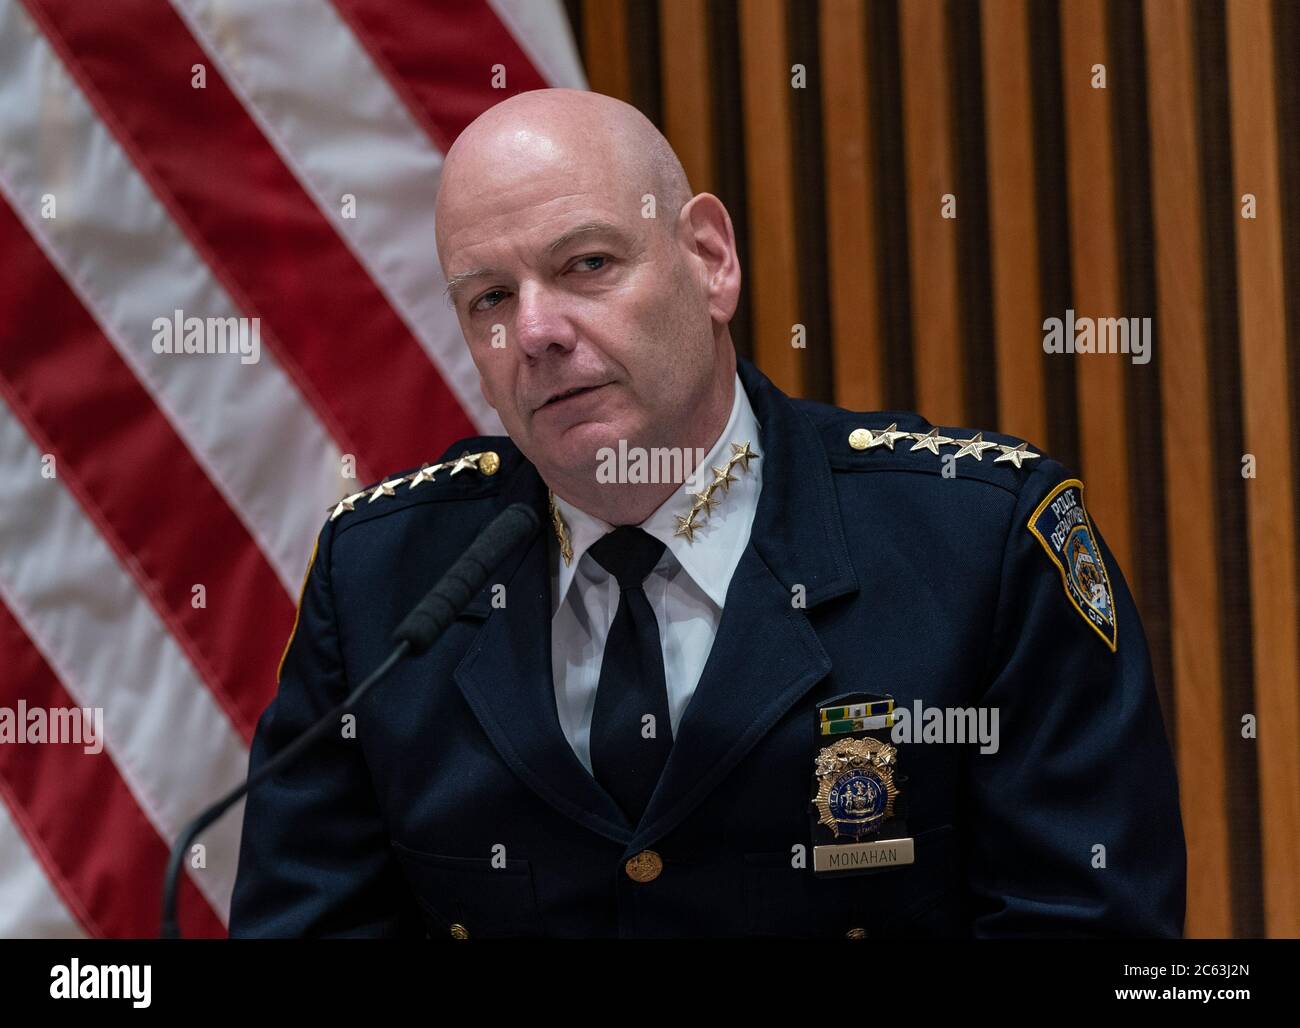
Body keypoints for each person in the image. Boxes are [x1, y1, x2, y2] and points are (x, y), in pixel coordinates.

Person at [229, 88, 1186, 938]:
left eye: (588, 263)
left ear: (710, 260)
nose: (536, 332)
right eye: (488, 298)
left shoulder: (978, 545)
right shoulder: (382, 579)